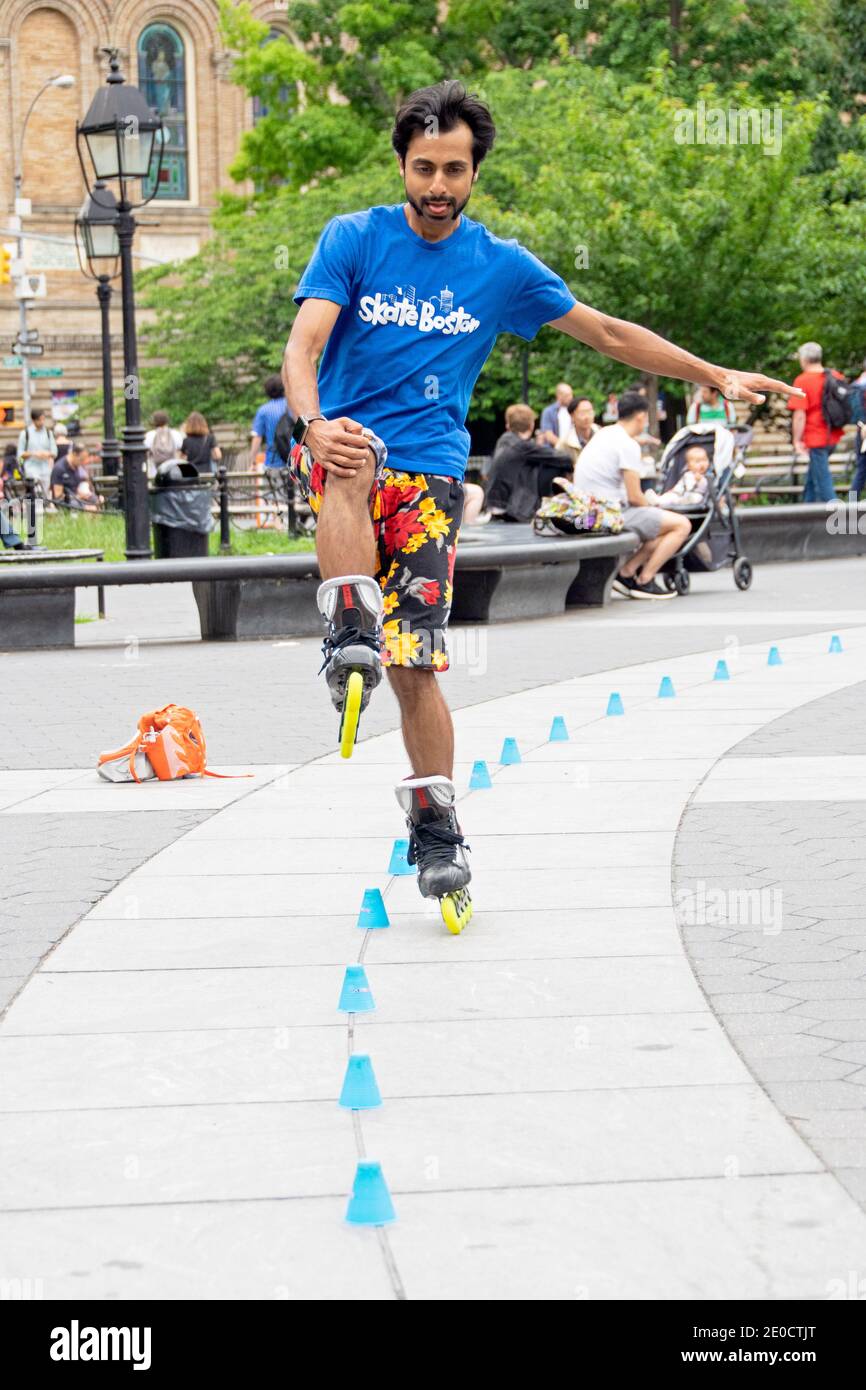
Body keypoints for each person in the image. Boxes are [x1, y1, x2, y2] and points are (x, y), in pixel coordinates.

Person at [282, 79, 801, 923]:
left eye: (454, 170)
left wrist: (713, 375)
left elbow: (609, 334)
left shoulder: (501, 267)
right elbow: (304, 346)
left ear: (475, 173)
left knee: (417, 662)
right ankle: (348, 627)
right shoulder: (353, 239)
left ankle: (437, 824)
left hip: (434, 472)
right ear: (402, 167)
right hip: (347, 450)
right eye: (423, 169)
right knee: (349, 452)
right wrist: (309, 424)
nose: (438, 187)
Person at [573, 392, 690, 599]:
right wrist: (653, 507)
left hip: (587, 509)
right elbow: (635, 496)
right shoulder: (627, 444)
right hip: (607, 512)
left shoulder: (604, 433)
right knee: (681, 525)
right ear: (640, 417)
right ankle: (644, 580)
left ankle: (627, 572)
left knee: (662, 526)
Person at [487, 403, 569, 519]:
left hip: (494, 504)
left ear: (508, 425)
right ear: (532, 425)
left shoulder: (504, 441)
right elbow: (564, 458)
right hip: (512, 508)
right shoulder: (522, 446)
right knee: (555, 464)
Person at [787, 341, 845, 504]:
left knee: (824, 484)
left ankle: (842, 520)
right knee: (813, 478)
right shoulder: (835, 376)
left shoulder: (802, 380)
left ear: (804, 359)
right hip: (833, 435)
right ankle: (806, 511)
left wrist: (797, 440)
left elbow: (799, 415)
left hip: (816, 437)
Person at [250, 374, 294, 477]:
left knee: (274, 493)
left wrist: (253, 461)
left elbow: (257, 438)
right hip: (295, 460)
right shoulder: (293, 406)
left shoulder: (263, 410)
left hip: (274, 462)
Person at [17, 407, 57, 494]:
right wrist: (34, 454)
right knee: (36, 493)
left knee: (44, 494)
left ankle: (42, 507)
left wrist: (47, 454)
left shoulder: (48, 433)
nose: (42, 422)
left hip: (46, 469)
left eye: (43, 419)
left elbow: (54, 452)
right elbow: (20, 454)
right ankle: (36, 507)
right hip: (31, 469)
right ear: (33, 420)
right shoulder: (25, 434)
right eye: (39, 420)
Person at [50, 441, 99, 511]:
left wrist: (85, 493)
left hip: (77, 496)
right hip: (66, 501)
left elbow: (78, 486)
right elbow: (58, 496)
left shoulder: (77, 466)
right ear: (74, 454)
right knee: (90, 509)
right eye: (81, 459)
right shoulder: (60, 468)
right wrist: (78, 497)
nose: (83, 462)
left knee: (97, 500)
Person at [145, 411, 184, 478]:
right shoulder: (176, 434)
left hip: (155, 472)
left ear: (154, 422)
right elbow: (181, 451)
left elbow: (146, 453)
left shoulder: (149, 435)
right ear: (167, 421)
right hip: (174, 471)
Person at [538, 382, 574, 451]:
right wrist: (565, 448)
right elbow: (548, 434)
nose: (571, 397)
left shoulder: (574, 410)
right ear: (559, 396)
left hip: (572, 449)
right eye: (567, 395)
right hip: (554, 451)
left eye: (571, 394)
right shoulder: (549, 411)